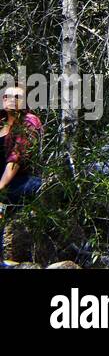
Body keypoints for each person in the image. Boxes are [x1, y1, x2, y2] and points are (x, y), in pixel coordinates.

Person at [0, 86, 42, 265]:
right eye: (7, 96)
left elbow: (15, 160)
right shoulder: (1, 122)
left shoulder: (29, 122)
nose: (12, 99)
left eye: (17, 97)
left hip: (22, 179)